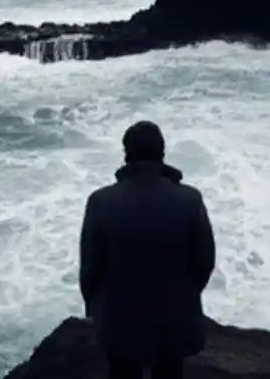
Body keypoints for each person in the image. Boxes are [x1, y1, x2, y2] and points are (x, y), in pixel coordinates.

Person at [78, 120, 216, 379]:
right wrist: (185, 295)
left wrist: (95, 311)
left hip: (119, 321)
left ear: (126, 155)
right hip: (174, 319)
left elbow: (90, 268)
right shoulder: (190, 199)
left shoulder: (101, 201)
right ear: (162, 154)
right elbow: (204, 262)